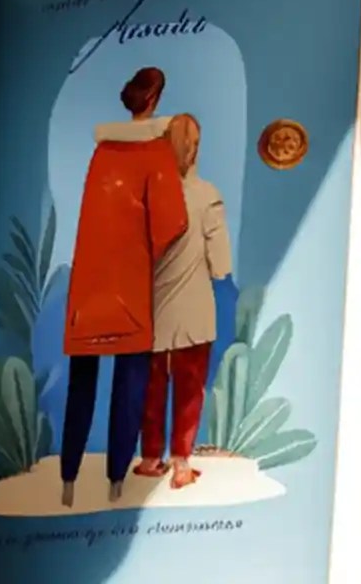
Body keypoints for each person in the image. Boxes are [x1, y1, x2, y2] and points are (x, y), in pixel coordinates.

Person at [61, 66, 188, 506]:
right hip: (131, 286)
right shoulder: (156, 153)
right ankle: (116, 481)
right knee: (130, 381)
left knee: (82, 384)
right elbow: (172, 221)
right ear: (155, 100)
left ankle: (68, 482)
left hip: (88, 288)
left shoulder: (101, 152)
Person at [134, 113, 232, 489]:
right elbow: (220, 263)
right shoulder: (208, 196)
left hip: (153, 308)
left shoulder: (148, 193)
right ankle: (181, 465)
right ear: (197, 149)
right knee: (189, 389)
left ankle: (149, 459)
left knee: (151, 387)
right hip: (194, 309)